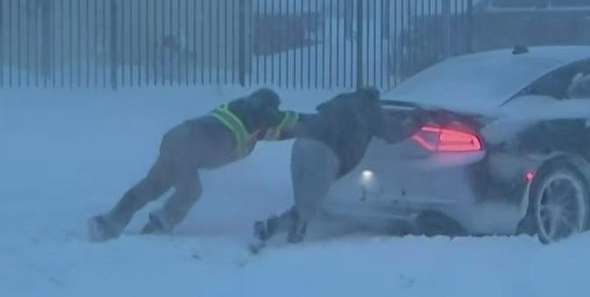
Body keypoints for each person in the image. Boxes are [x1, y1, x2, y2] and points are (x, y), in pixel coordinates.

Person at [88, 87, 302, 242]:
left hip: (178, 139)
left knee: (154, 185)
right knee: (190, 191)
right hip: (187, 143)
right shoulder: (248, 108)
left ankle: (109, 223)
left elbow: (280, 130)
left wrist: (314, 129)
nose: (273, 114)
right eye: (273, 109)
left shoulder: (252, 126)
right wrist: (308, 119)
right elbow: (276, 118)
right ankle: (157, 228)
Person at [251, 87, 409, 247]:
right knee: (307, 208)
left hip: (301, 145)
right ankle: (272, 229)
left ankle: (293, 237)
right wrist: (420, 118)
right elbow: (395, 133)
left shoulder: (339, 103)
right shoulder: (369, 111)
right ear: (373, 101)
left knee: (305, 202)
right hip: (324, 153)